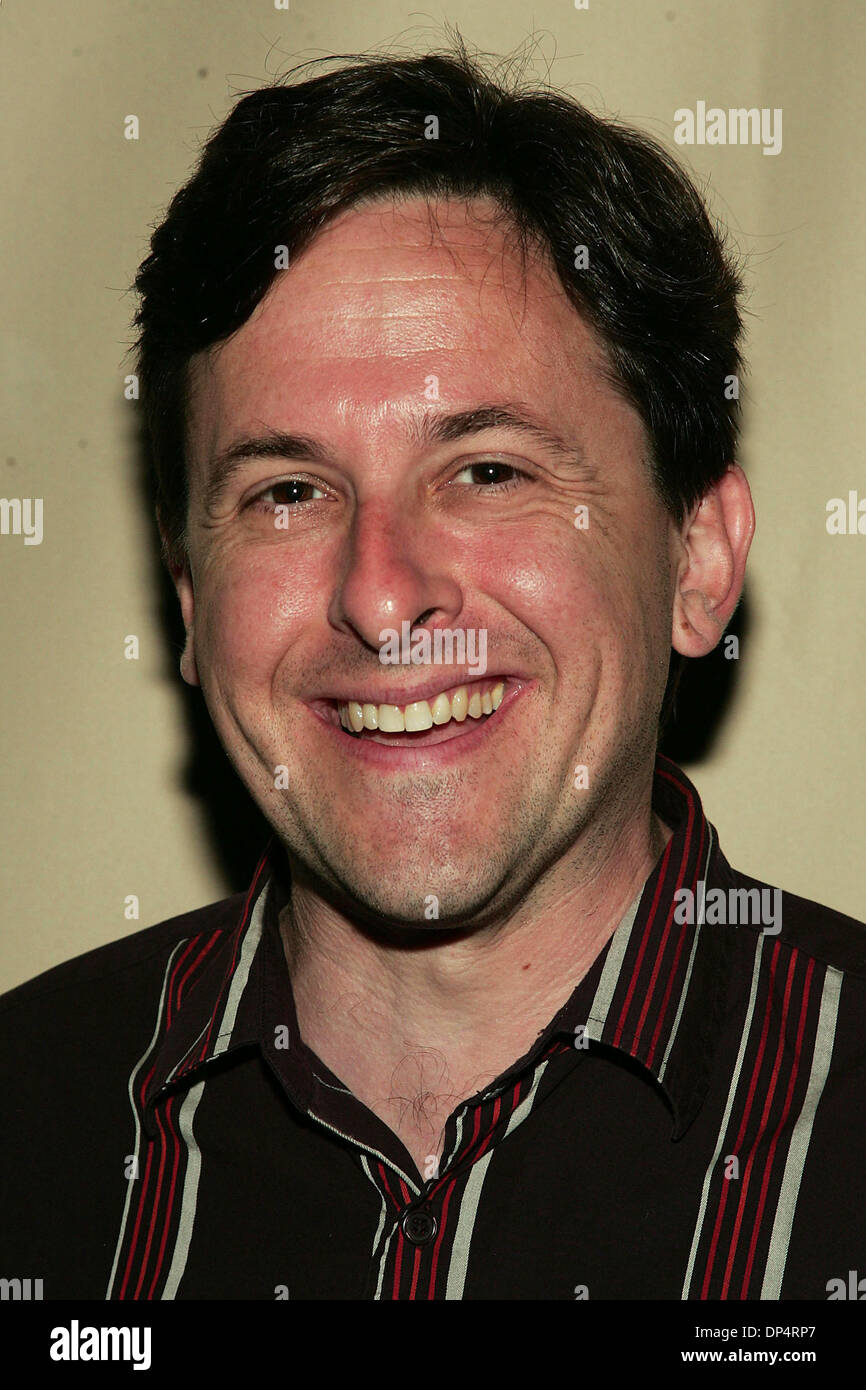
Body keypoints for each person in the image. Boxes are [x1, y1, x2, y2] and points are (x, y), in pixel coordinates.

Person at [2, 42, 864, 1303]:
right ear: (188, 602)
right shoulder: (30, 1118)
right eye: (287, 492)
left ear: (696, 557)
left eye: (489, 471)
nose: (380, 591)